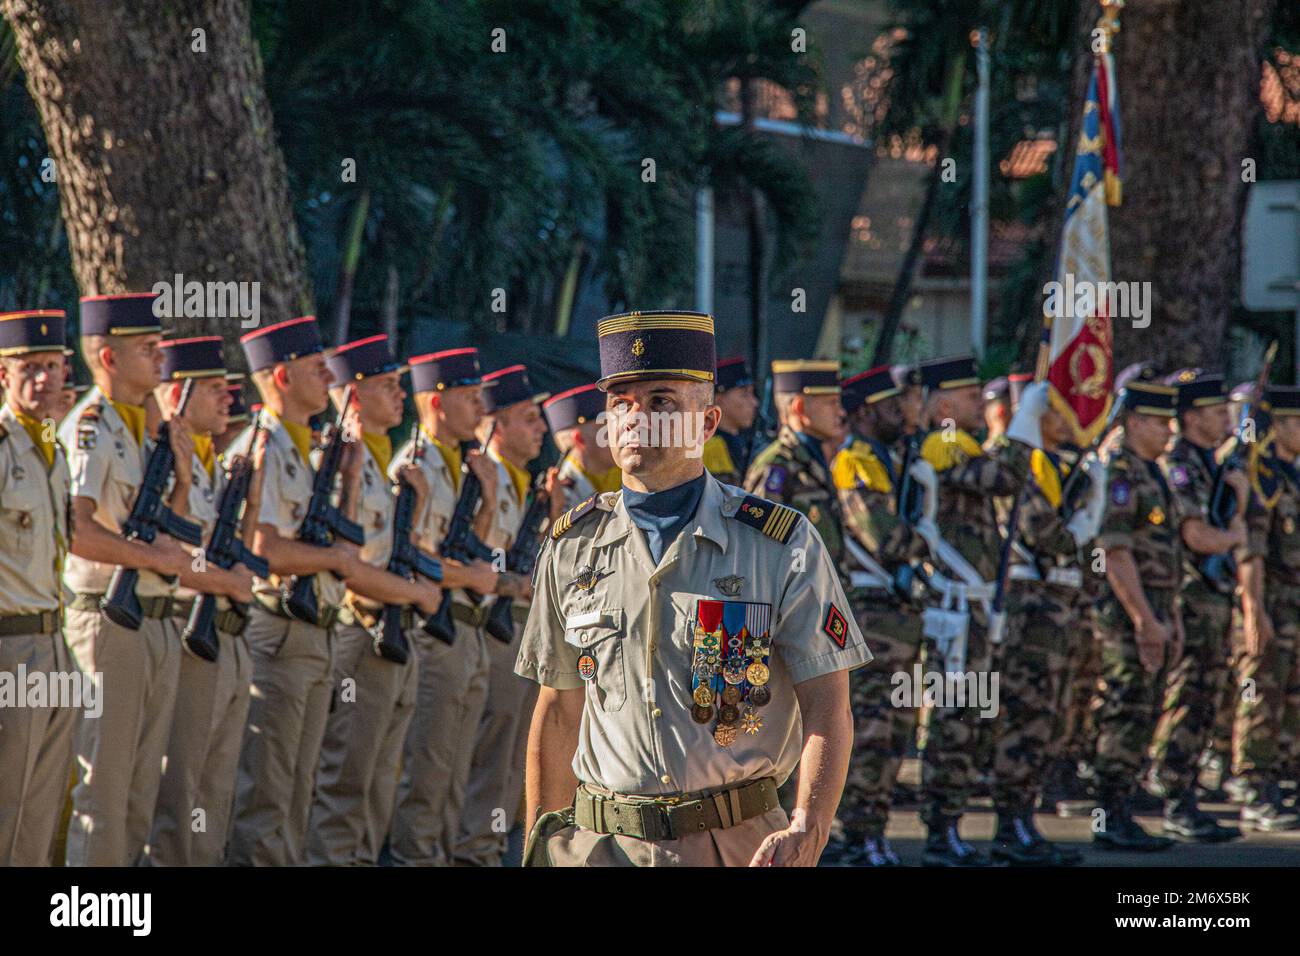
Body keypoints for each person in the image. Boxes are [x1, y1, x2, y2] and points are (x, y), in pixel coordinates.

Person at [518, 310, 870, 867]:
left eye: (661, 402)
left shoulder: (778, 543)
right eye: (621, 403)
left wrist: (810, 824)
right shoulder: (570, 547)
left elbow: (828, 701)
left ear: (706, 424)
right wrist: (540, 848)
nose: (637, 419)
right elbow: (559, 711)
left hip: (735, 844)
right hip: (599, 848)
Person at [227, 317, 439, 866]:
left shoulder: (319, 453)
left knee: (302, 793)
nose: (326, 372)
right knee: (273, 796)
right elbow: (266, 548)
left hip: (317, 634)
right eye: (314, 366)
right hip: (283, 633)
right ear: (279, 377)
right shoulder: (266, 446)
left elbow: (346, 539)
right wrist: (337, 560)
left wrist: (343, 490)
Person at [61, 293, 244, 866]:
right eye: (147, 349)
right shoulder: (91, 427)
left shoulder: (147, 434)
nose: (160, 359)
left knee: (141, 791)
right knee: (106, 786)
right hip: (109, 618)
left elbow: (175, 536)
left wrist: (184, 485)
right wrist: (154, 560)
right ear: (109, 359)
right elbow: (79, 531)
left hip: (155, 622)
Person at [308, 334, 445, 866]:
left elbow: (398, 551)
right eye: (387, 387)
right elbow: (349, 567)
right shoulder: (338, 459)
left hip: (391, 636)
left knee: (378, 788)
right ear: (354, 395)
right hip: (359, 632)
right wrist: (414, 593)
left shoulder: (384, 462)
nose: (401, 397)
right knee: (345, 784)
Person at [388, 348, 502, 866]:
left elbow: (464, 550)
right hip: (432, 634)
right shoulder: (414, 464)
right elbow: (412, 555)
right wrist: (470, 577)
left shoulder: (459, 464)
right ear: (437, 402)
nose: (482, 407)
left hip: (462, 630)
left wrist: (492, 500)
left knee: (455, 774)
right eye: (470, 397)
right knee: (428, 772)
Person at [146, 336, 258, 865]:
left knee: (214, 788)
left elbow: (230, 554)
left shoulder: (214, 462)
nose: (228, 400)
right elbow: (174, 556)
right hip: (186, 632)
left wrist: (250, 501)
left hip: (222, 635)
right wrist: (227, 582)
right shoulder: (164, 459)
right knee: (181, 785)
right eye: (214, 389)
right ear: (176, 395)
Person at [915, 354, 1022, 866]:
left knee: (976, 717)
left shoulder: (965, 442)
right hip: (953, 609)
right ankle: (939, 831)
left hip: (975, 607)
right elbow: (1003, 479)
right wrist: (1021, 432)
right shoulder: (945, 442)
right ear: (943, 405)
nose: (981, 402)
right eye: (970, 394)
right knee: (953, 718)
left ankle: (952, 826)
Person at [987, 382, 1098, 865]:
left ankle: (1025, 820)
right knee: (1024, 716)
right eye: (1055, 413)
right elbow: (1042, 532)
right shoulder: (1017, 465)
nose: (1066, 421)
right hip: (1029, 611)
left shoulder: (1054, 464)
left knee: (1047, 719)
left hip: (1055, 609)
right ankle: (1010, 827)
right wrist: (1082, 528)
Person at [832, 365, 929, 866]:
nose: (904, 413)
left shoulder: (890, 459)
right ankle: (855, 833)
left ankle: (875, 829)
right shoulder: (856, 460)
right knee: (870, 731)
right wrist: (926, 542)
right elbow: (882, 534)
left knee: (895, 732)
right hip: (870, 615)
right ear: (867, 412)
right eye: (893, 406)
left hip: (897, 616)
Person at [454, 364, 546, 866]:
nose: (540, 429)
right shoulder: (482, 479)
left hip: (515, 632)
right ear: (497, 426)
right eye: (528, 419)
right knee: (489, 758)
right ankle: (476, 853)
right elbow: (480, 560)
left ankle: (496, 849)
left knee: (513, 758)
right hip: (488, 629)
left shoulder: (516, 483)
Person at [1146, 371, 1243, 842]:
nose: (1227, 418)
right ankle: (1174, 797)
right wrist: (1235, 536)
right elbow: (1196, 536)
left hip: (1212, 600)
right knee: (1187, 697)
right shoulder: (1180, 463)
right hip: (1189, 599)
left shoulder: (1212, 462)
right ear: (1190, 417)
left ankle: (1184, 792)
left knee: (1206, 697)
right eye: (1217, 411)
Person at [1091, 380, 1183, 851]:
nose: (1171, 431)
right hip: (1127, 614)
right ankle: (1108, 816)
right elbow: (1116, 552)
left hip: (1155, 609)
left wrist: (1169, 616)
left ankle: (1123, 806)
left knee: (1142, 709)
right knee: (1125, 711)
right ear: (1135, 422)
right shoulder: (1121, 470)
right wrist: (1145, 619)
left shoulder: (1151, 469)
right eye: (1161, 422)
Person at [0, 309, 76, 866]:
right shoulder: (4, 447)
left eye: (53, 365)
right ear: (4, 376)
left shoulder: (54, 451)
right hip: (11, 647)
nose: (44, 378)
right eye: (29, 366)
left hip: (55, 641)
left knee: (43, 809)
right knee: (8, 804)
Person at [1233, 385, 1300, 831]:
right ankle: (1255, 785)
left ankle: (1280, 776)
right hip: (1270, 600)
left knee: (1290, 698)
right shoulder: (1265, 478)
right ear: (1278, 425)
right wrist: (1254, 609)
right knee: (1260, 693)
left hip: (1293, 603)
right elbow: (1250, 550)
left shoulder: (1291, 475)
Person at [744, 359, 848, 566]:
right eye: (832, 403)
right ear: (799, 407)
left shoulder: (812, 459)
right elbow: (759, 547)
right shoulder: (776, 465)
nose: (841, 412)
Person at [543, 383, 619, 513]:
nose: (617, 435)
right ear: (580, 439)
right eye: (606, 430)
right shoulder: (562, 495)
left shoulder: (634, 468)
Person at [701, 356, 758, 485]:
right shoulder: (711, 448)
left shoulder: (739, 442)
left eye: (752, 393)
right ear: (719, 398)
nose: (754, 402)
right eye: (744, 394)